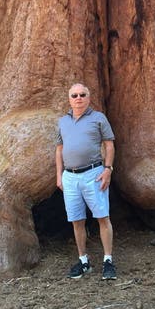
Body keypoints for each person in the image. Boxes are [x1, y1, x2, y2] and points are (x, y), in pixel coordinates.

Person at [56, 82, 117, 280]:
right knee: (77, 220)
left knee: (102, 216)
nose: (78, 98)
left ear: (89, 98)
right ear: (69, 99)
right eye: (74, 95)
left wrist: (108, 169)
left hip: (94, 174)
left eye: (83, 94)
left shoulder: (98, 118)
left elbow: (109, 146)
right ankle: (83, 261)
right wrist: (59, 175)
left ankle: (108, 260)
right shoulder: (63, 122)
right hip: (70, 176)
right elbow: (59, 150)